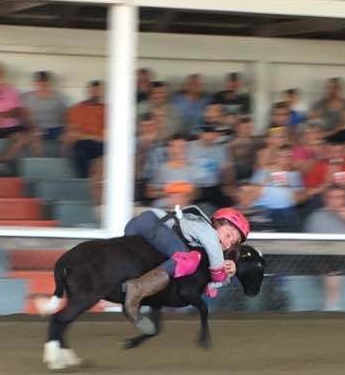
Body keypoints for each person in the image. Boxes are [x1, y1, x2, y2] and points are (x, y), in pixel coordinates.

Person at [120, 207, 250, 333]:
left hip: (140, 224)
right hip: (150, 224)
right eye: (228, 235)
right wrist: (228, 272)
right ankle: (137, 289)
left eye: (233, 244)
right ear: (218, 223)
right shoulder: (209, 233)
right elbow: (217, 274)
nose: (228, 244)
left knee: (173, 263)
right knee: (188, 259)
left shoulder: (198, 229)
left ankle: (135, 295)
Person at [304, 186, 345, 312]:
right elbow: (313, 243)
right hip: (327, 255)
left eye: (341, 197)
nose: (337, 201)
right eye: (333, 197)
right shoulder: (317, 216)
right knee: (330, 261)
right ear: (326, 199)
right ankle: (332, 306)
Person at [66, 79, 105, 179]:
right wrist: (93, 137)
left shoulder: (107, 109)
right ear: (87, 91)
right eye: (93, 91)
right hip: (84, 143)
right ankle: (86, 179)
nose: (95, 94)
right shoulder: (77, 109)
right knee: (76, 151)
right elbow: (72, 134)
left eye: (98, 91)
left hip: (103, 143)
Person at [22, 71, 67, 155]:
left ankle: (63, 161)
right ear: (35, 83)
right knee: (34, 139)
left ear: (49, 83)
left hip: (56, 128)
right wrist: (32, 128)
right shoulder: (28, 97)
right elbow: (26, 116)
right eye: (39, 83)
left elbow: (64, 114)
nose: (42, 86)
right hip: (37, 128)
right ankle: (40, 161)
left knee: (68, 139)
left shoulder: (58, 97)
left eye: (45, 83)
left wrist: (65, 129)